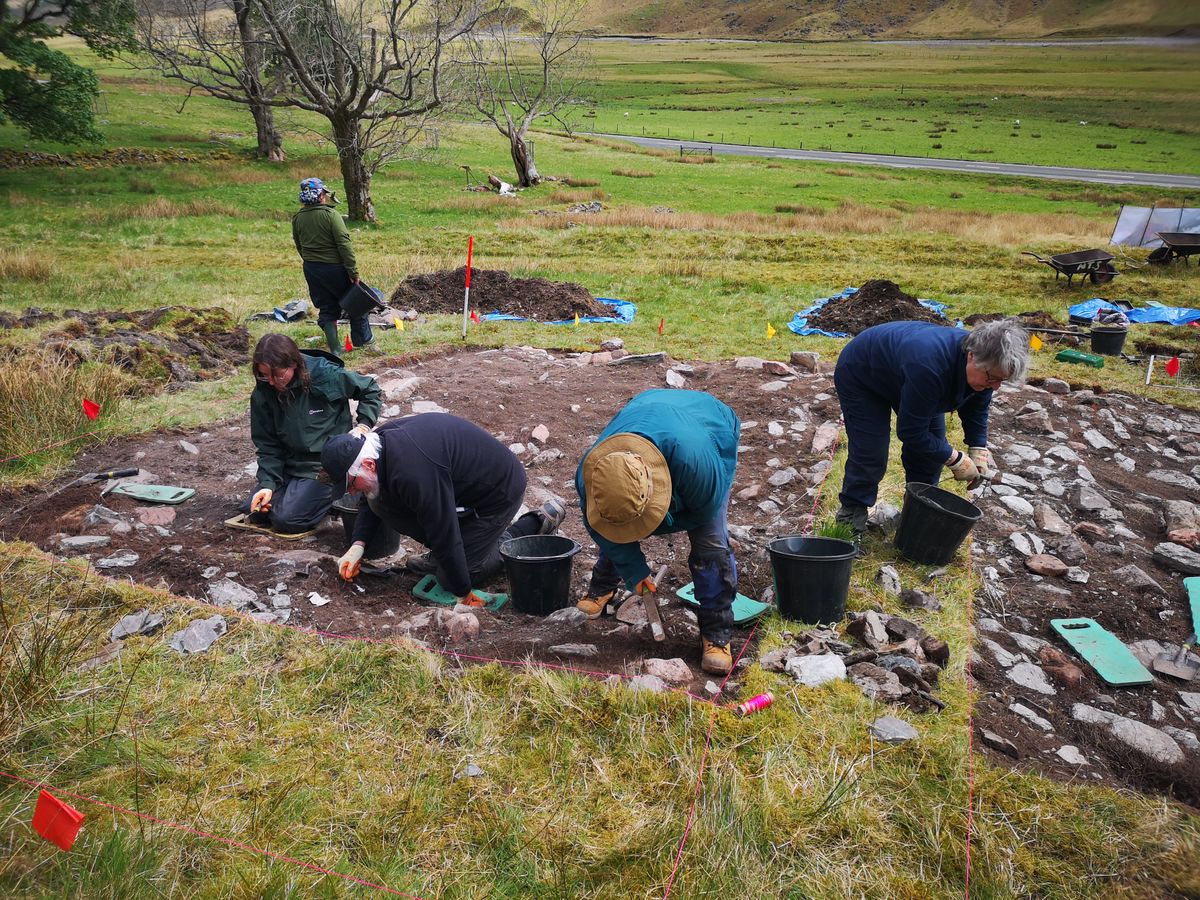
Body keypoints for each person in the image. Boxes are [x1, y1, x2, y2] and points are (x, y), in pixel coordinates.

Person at [574, 390, 741, 676]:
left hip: (710, 427)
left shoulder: (697, 465)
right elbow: (601, 526)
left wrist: (659, 520)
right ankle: (603, 586)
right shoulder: (591, 475)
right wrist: (635, 570)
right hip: (647, 409)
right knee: (616, 518)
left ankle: (717, 631)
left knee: (710, 544)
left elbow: (702, 513)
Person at [321, 414, 567, 608]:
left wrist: (463, 591)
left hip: (498, 493)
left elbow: (443, 528)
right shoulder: (378, 446)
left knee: (456, 577)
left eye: (351, 484)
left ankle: (530, 526)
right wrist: (358, 544)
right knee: (381, 502)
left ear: (367, 464)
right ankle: (458, 553)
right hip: (461, 491)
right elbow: (370, 496)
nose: (351, 492)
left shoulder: (413, 473)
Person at [832, 318, 1030, 533]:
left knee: (929, 454)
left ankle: (916, 519)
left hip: (906, 373)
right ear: (971, 356)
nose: (997, 386)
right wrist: (955, 460)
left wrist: (978, 448)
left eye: (1003, 380)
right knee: (870, 451)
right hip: (862, 373)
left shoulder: (987, 364)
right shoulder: (930, 365)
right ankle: (849, 523)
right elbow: (911, 432)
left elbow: (977, 408)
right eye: (993, 379)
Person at [246, 333, 382, 533]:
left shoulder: (325, 375)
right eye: (264, 375)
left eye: (277, 375)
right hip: (289, 465)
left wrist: (363, 425)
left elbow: (369, 388)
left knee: (286, 520)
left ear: (293, 363)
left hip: (324, 466)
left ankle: (336, 501)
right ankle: (298, 500)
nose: (272, 382)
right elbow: (267, 445)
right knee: (257, 510)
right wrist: (267, 483)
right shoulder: (264, 392)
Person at [292, 177, 380, 356]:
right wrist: (353, 271)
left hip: (311, 268)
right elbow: (344, 245)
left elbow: (298, 244)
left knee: (326, 307)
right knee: (356, 301)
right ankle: (363, 340)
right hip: (334, 268)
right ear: (321, 196)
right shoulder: (331, 215)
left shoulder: (298, 218)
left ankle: (335, 349)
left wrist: (311, 262)